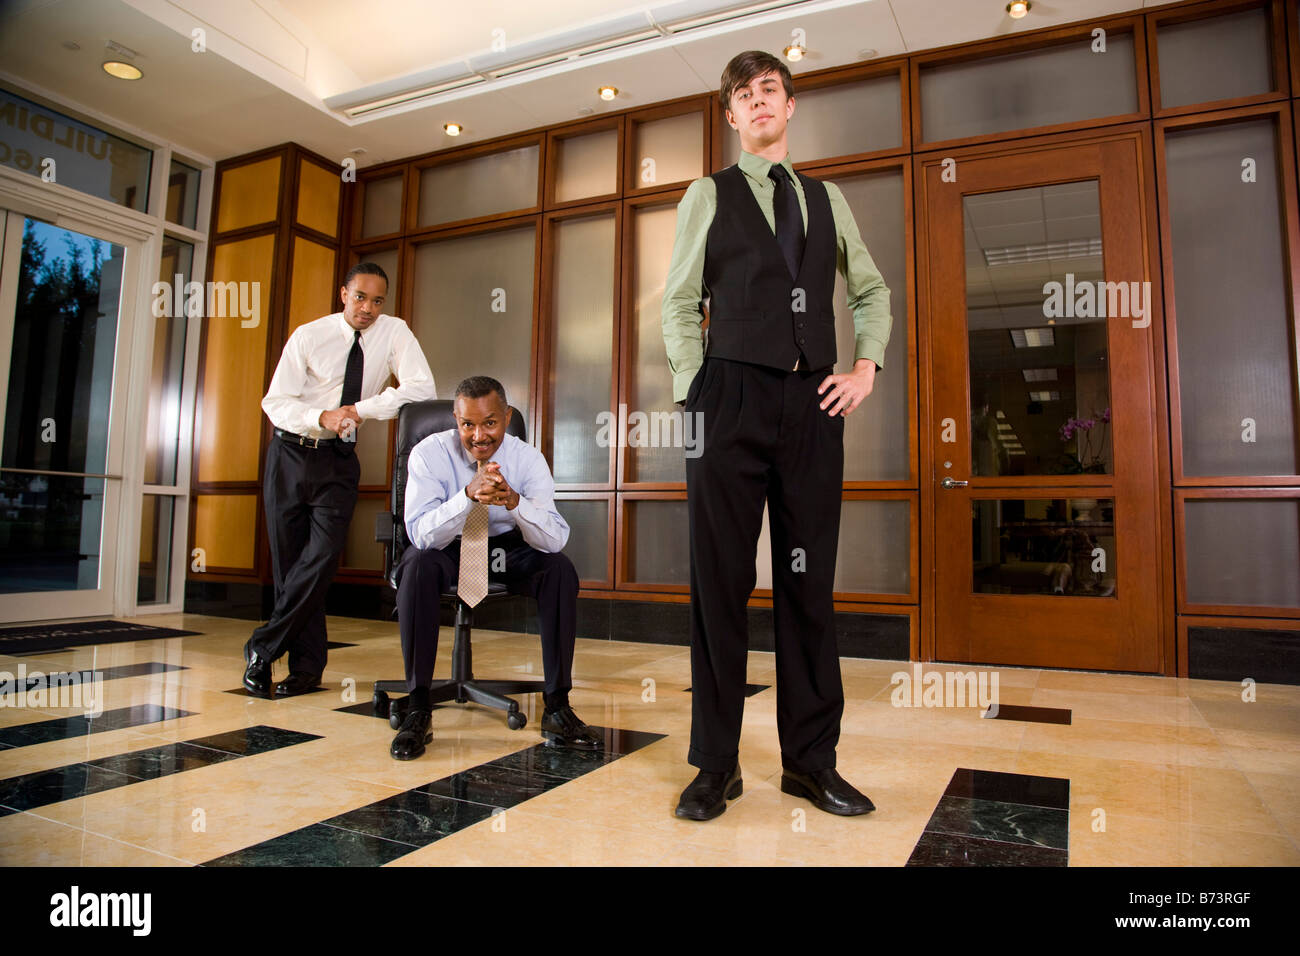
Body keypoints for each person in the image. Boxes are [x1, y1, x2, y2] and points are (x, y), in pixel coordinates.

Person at [661, 51, 893, 820]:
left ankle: (810, 763)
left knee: (808, 588)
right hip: (728, 400)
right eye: (742, 95)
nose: (757, 102)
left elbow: (869, 289)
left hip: (812, 408)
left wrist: (865, 368)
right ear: (730, 117)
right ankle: (715, 765)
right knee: (720, 585)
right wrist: (696, 392)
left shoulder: (827, 200)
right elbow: (679, 301)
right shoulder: (708, 194)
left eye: (769, 90)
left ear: (789, 106)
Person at [244, 262, 436, 698]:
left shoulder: (394, 332)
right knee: (291, 568)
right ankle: (306, 671)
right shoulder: (309, 335)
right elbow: (275, 401)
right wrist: (321, 415)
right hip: (290, 454)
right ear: (343, 294)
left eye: (377, 300)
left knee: (322, 559)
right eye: (360, 297)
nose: (368, 308)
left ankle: (262, 647)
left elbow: (422, 387)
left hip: (339, 460)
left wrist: (358, 411)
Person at [388, 375, 599, 760]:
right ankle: (418, 708)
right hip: (448, 549)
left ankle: (557, 705)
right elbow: (420, 534)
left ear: (507, 417)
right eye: (468, 424)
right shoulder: (428, 453)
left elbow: (554, 539)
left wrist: (516, 503)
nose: (479, 435)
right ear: (456, 418)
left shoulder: (527, 458)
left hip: (505, 550)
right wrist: (467, 496)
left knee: (559, 571)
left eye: (490, 423)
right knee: (418, 566)